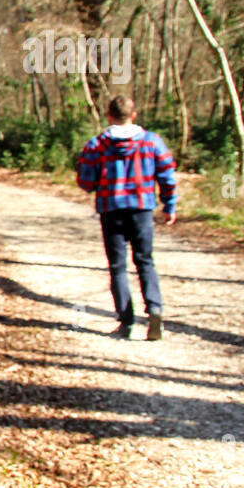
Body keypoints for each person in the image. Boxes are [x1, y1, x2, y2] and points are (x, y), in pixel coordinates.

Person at [76, 96, 178, 340]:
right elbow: (167, 175)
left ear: (109, 115)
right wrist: (169, 205)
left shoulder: (97, 145)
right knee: (145, 261)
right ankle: (154, 308)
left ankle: (126, 322)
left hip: (111, 211)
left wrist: (99, 180)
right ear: (134, 114)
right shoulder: (152, 142)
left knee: (118, 267)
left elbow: (86, 182)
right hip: (142, 209)